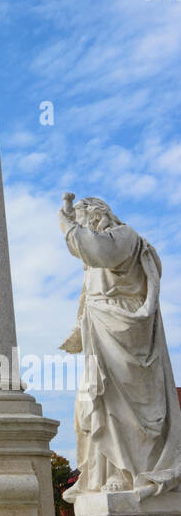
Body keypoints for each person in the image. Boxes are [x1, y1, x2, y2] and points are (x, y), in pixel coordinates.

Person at [59, 193, 181, 499]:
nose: (83, 226)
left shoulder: (123, 237)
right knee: (94, 401)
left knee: (121, 404)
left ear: (97, 214)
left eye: (84, 218)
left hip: (126, 331)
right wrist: (78, 331)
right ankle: (101, 472)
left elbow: (99, 251)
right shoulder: (93, 263)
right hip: (100, 330)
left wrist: (67, 226)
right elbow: (89, 298)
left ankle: (127, 473)